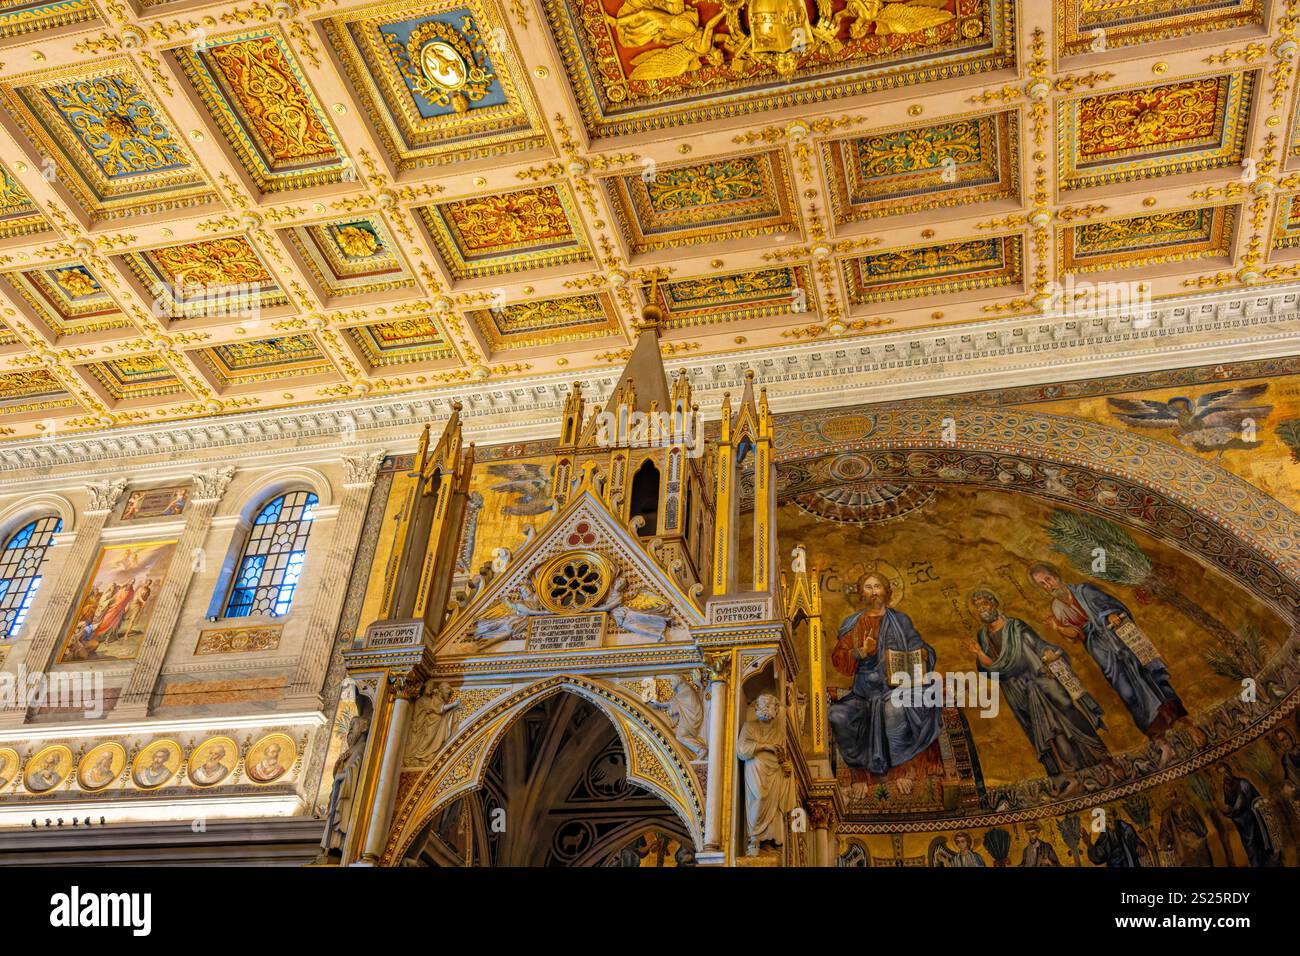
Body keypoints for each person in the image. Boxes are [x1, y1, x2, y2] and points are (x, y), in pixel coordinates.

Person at [1029, 563, 1185, 737]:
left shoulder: (1084, 590)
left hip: (1117, 638)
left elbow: (1113, 606)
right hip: (1099, 650)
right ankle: (1155, 729)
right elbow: (1074, 635)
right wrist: (1057, 627)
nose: (1048, 585)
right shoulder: (1056, 608)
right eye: (1042, 584)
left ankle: (1176, 716)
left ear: (1056, 575)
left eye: (1048, 579)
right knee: (1125, 688)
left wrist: (1109, 614)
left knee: (1144, 673)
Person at [969, 588, 1109, 778]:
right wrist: (979, 654)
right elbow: (991, 669)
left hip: (1039, 677)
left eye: (984, 604)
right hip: (1016, 688)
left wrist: (1048, 653)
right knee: (1042, 728)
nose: (982, 609)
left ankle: (1101, 755)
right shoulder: (982, 636)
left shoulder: (1015, 626)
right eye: (977, 607)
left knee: (1067, 709)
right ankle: (1066, 773)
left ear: (994, 603)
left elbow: (1037, 644)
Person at [828, 572, 939, 775]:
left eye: (877, 586)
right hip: (863, 694)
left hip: (896, 687)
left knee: (893, 710)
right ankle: (860, 769)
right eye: (868, 587)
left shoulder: (900, 620)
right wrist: (861, 652)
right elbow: (838, 658)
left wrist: (922, 653)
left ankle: (900, 769)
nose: (873, 592)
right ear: (861, 593)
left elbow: (919, 648)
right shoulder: (853, 623)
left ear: (886, 591)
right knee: (837, 715)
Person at [736, 693, 796, 856]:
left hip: (774, 772)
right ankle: (754, 838)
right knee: (759, 799)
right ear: (756, 708)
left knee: (774, 806)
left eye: (769, 705)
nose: (765, 708)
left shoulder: (780, 732)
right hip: (756, 769)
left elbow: (783, 756)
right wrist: (765, 746)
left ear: (776, 710)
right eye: (762, 705)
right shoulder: (749, 727)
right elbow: (741, 750)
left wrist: (786, 767)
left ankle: (768, 841)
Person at [1218, 764, 1278, 867]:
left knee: (1261, 844)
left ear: (1229, 771)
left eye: (1225, 773)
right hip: (1242, 823)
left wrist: (1232, 813)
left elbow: (1243, 802)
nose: (1225, 777)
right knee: (1251, 849)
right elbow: (1229, 803)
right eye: (1221, 775)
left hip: (1253, 819)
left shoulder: (1243, 783)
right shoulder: (1227, 787)